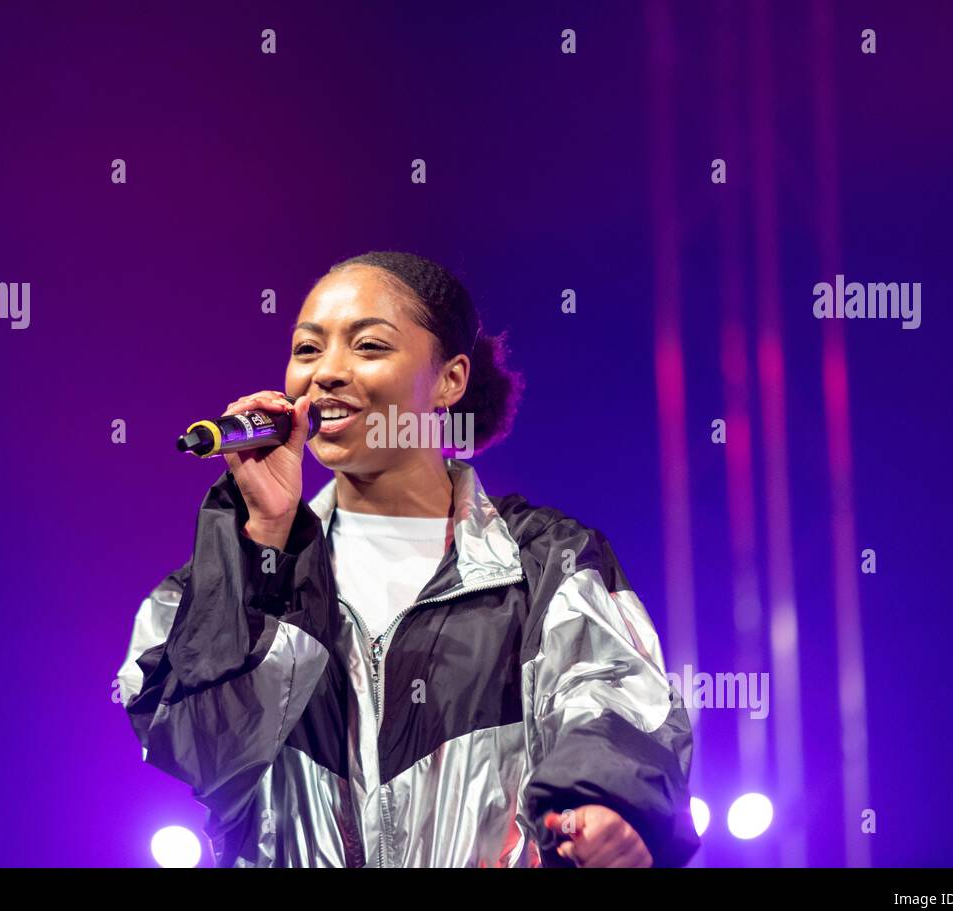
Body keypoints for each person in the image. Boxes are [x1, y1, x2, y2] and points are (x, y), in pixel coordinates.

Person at [116, 250, 700, 868]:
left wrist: (608, 805)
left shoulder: (546, 561)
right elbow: (201, 752)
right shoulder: (217, 582)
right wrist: (264, 537)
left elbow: (614, 702)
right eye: (308, 350)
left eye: (368, 346)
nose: (326, 374)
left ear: (449, 379)